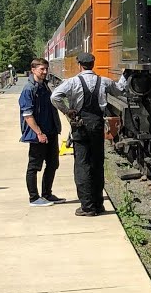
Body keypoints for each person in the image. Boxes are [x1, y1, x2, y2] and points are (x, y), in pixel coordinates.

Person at [50, 52, 130, 216]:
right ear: (93, 64)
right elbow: (121, 89)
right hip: (97, 124)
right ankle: (98, 204)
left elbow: (55, 96)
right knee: (97, 163)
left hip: (80, 125)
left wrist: (67, 111)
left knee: (82, 164)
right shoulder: (104, 81)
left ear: (79, 64)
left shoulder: (72, 82)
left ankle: (87, 206)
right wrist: (126, 72)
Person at [20, 58, 64, 207]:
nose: (45, 72)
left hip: (51, 132)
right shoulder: (29, 89)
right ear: (33, 70)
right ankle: (34, 198)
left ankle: (47, 194)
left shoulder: (44, 86)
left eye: (46, 69)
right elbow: (27, 115)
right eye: (42, 69)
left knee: (53, 163)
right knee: (34, 166)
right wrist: (38, 132)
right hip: (38, 135)